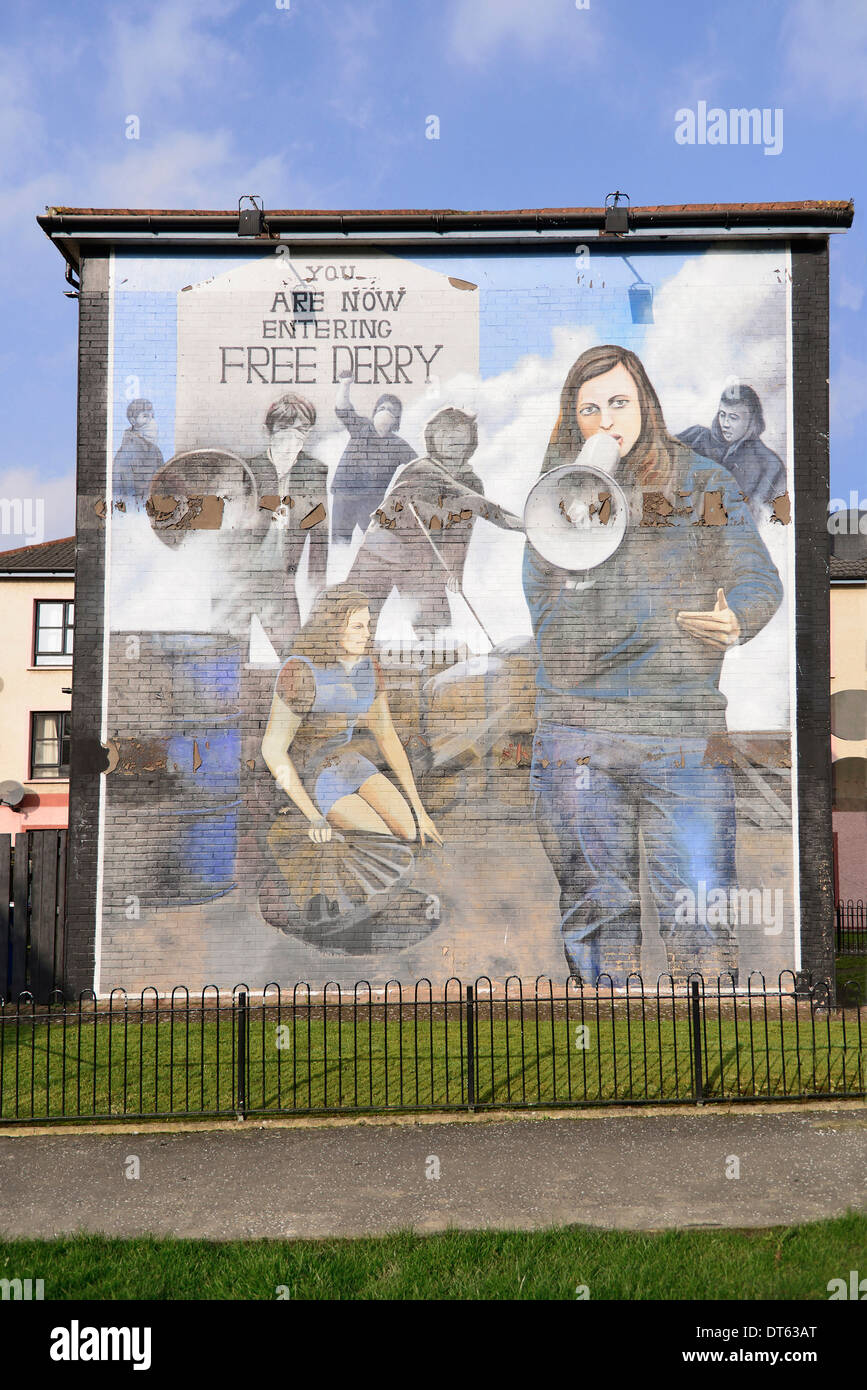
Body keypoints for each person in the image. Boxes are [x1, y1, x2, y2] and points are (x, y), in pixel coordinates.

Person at [523, 345, 784, 986]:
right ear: (573, 418)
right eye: (589, 409)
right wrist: (654, 632)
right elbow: (553, 629)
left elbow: (757, 577)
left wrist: (737, 618)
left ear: (644, 403)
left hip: (685, 736)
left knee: (699, 911)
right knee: (597, 914)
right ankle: (606, 1059)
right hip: (578, 736)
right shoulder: (559, 496)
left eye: (618, 402)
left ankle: (705, 1065)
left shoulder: (701, 481)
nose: (606, 421)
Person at [261, 583, 443, 845]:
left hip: (349, 763)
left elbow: (387, 736)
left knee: (409, 831)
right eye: (358, 626)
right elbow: (272, 750)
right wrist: (314, 817)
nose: (366, 634)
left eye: (368, 625)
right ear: (332, 627)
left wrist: (419, 809)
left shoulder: (367, 668)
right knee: (382, 838)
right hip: (313, 774)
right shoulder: (299, 671)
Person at [347, 405, 523, 637]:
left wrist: (454, 571)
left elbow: (461, 533)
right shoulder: (422, 467)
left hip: (424, 555)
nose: (452, 438)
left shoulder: (473, 482)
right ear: (432, 437)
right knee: (355, 614)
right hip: (383, 545)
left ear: (470, 440)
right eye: (444, 431)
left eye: (459, 432)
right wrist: (517, 523)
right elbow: (470, 500)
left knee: (435, 629)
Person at [246, 393, 329, 656]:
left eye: (301, 429)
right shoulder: (247, 469)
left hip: (281, 578)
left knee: (294, 658)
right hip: (240, 576)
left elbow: (319, 529)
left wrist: (317, 581)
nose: (292, 436)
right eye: (284, 428)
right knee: (226, 660)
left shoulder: (314, 471)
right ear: (268, 430)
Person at [330, 371, 416, 546]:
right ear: (375, 411)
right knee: (339, 542)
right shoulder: (361, 426)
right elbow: (343, 408)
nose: (385, 412)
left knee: (376, 544)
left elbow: (417, 467)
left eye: (391, 410)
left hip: (372, 501)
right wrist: (345, 385)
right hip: (344, 494)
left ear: (396, 419)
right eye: (381, 408)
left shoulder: (399, 445)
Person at [678, 383, 786, 520]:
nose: (725, 424)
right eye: (722, 415)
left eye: (733, 417)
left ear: (752, 420)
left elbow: (775, 522)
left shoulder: (769, 464)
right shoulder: (696, 438)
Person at [113, 399, 163, 508]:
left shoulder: (155, 452)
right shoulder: (126, 454)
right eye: (145, 416)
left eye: (152, 416)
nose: (151, 421)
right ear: (133, 421)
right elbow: (125, 495)